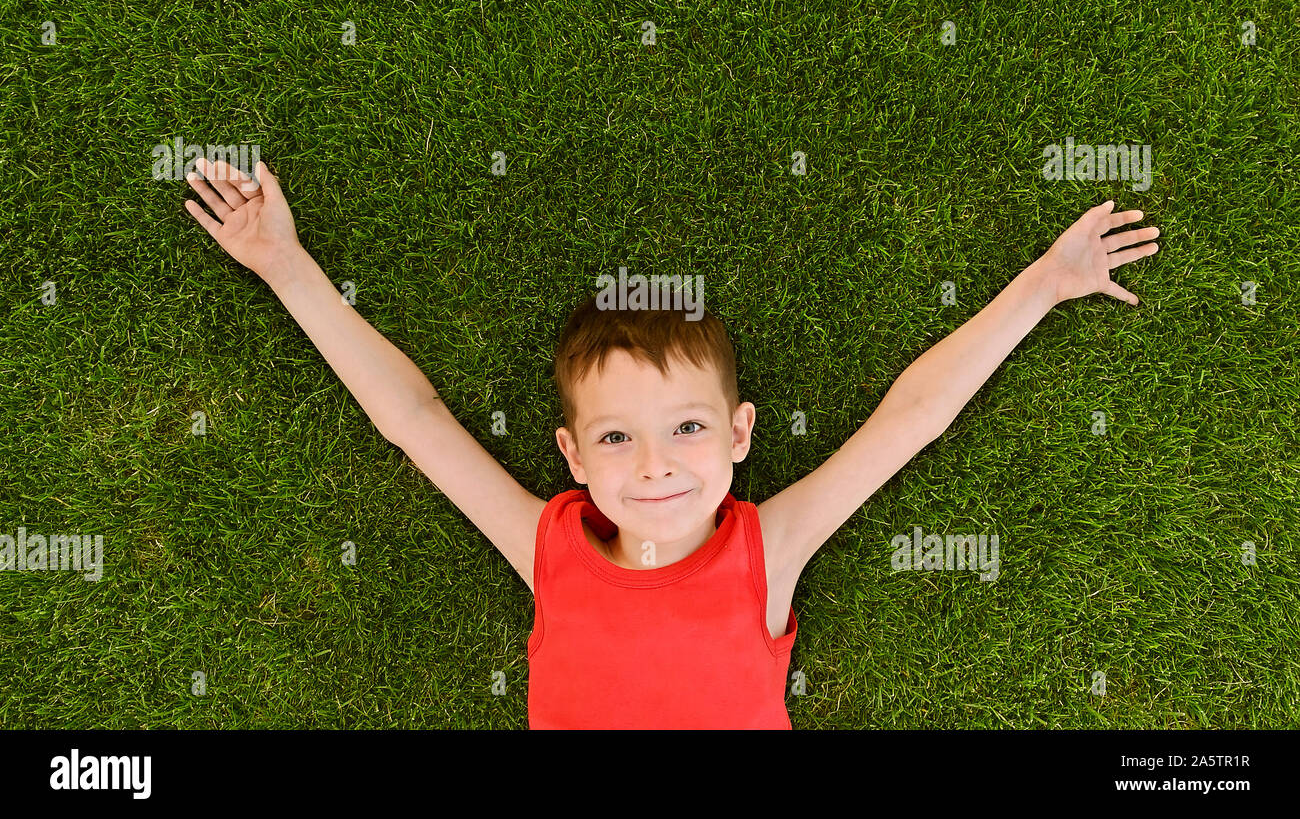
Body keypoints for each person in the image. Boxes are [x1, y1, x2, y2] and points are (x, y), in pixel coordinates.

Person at [184, 157, 1160, 728]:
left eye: (686, 426)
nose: (652, 464)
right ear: (571, 455)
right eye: (616, 435)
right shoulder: (549, 546)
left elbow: (911, 418)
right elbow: (413, 419)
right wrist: (286, 266)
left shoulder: (762, 550)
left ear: (739, 434)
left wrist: (1043, 282)